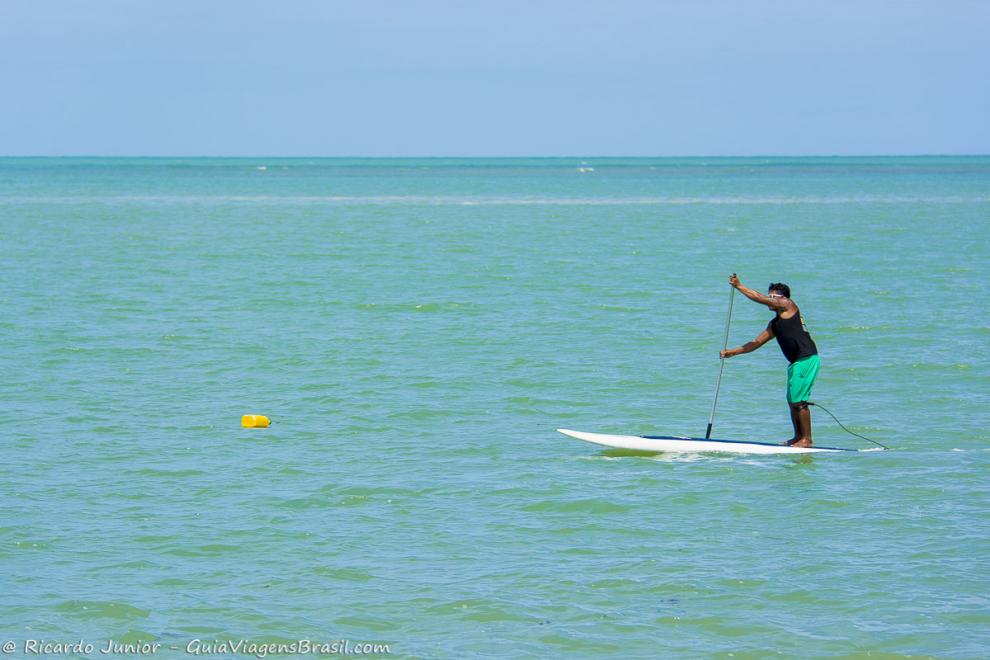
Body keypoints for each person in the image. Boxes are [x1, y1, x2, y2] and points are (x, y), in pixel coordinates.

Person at [719, 275, 820, 447]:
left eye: (772, 297)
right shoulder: (775, 324)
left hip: (806, 359)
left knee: (798, 401)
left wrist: (739, 286)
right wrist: (732, 352)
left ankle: (807, 439)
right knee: (791, 401)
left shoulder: (789, 306)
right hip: (796, 363)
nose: (769, 300)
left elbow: (758, 298)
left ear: (783, 298)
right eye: (769, 296)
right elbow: (755, 343)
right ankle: (798, 437)